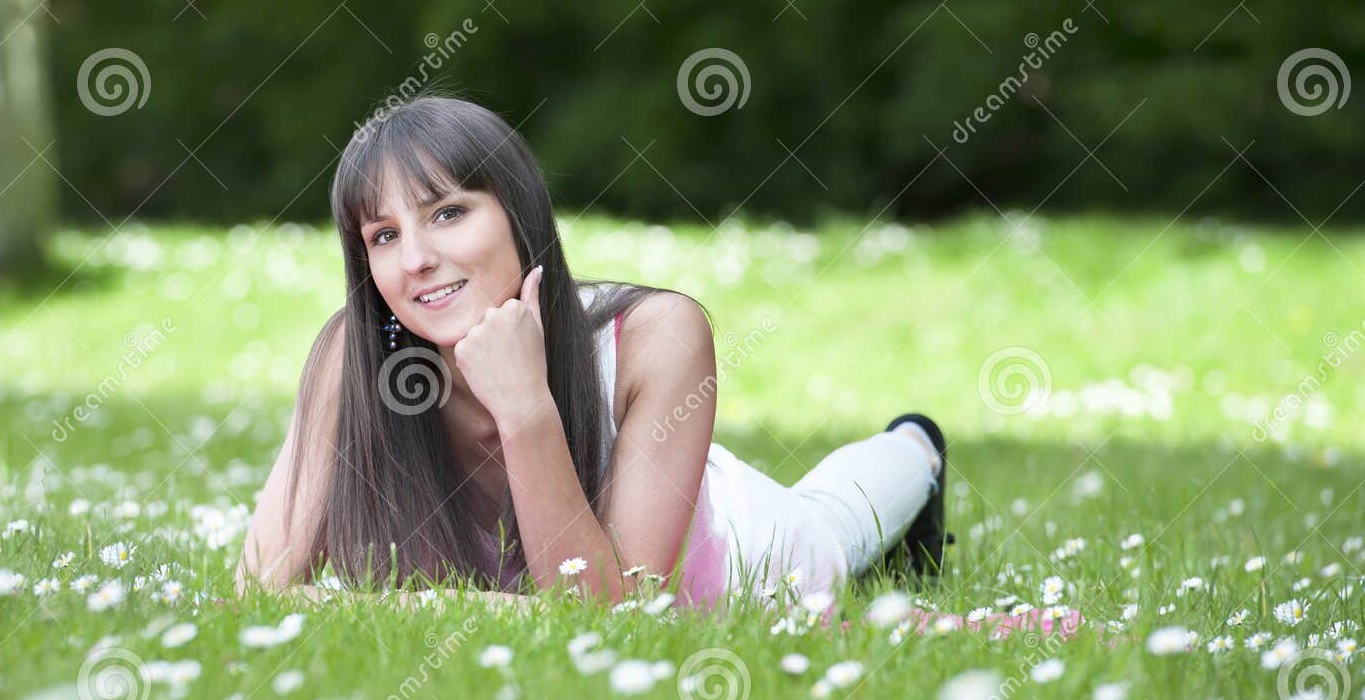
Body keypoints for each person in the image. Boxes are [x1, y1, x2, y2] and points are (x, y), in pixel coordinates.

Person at [236, 93, 952, 611]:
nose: (417, 257)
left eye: (447, 212)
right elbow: (257, 590)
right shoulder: (352, 362)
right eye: (384, 235)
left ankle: (918, 446)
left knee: (833, 518)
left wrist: (524, 408)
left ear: (519, 213)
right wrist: (469, 613)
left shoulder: (656, 336)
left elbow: (608, 617)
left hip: (730, 547)